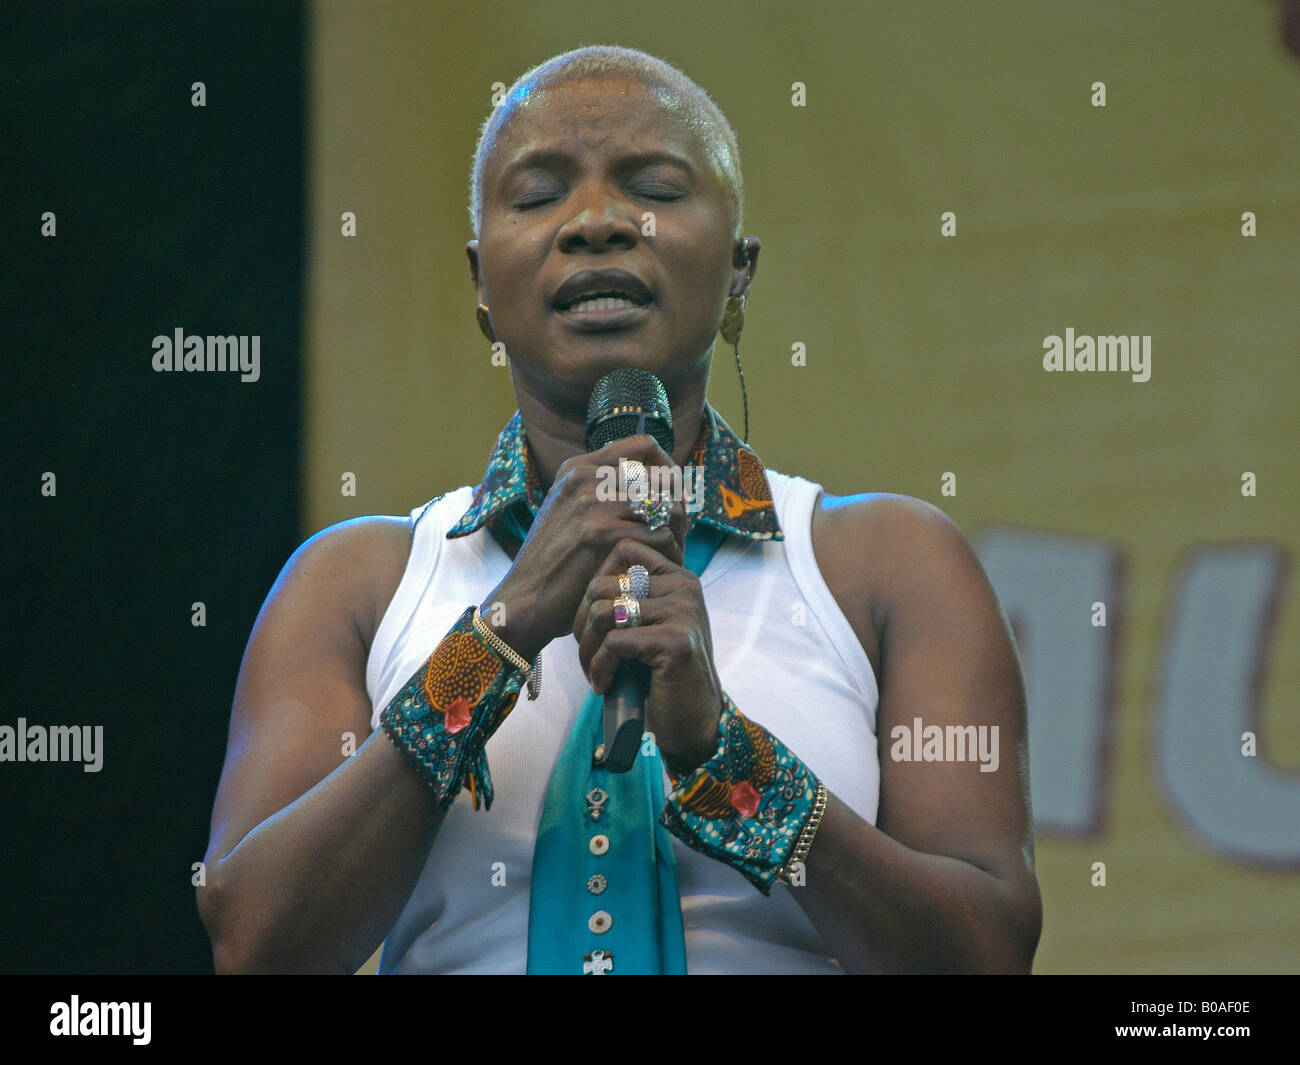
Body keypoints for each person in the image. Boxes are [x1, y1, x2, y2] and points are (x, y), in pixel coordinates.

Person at [197, 45, 1042, 974]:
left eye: (655, 189)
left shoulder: (886, 564)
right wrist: (499, 633)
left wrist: (724, 753)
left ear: (740, 270)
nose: (596, 222)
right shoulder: (357, 582)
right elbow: (255, 942)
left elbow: (987, 954)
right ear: (482, 283)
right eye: (538, 195)